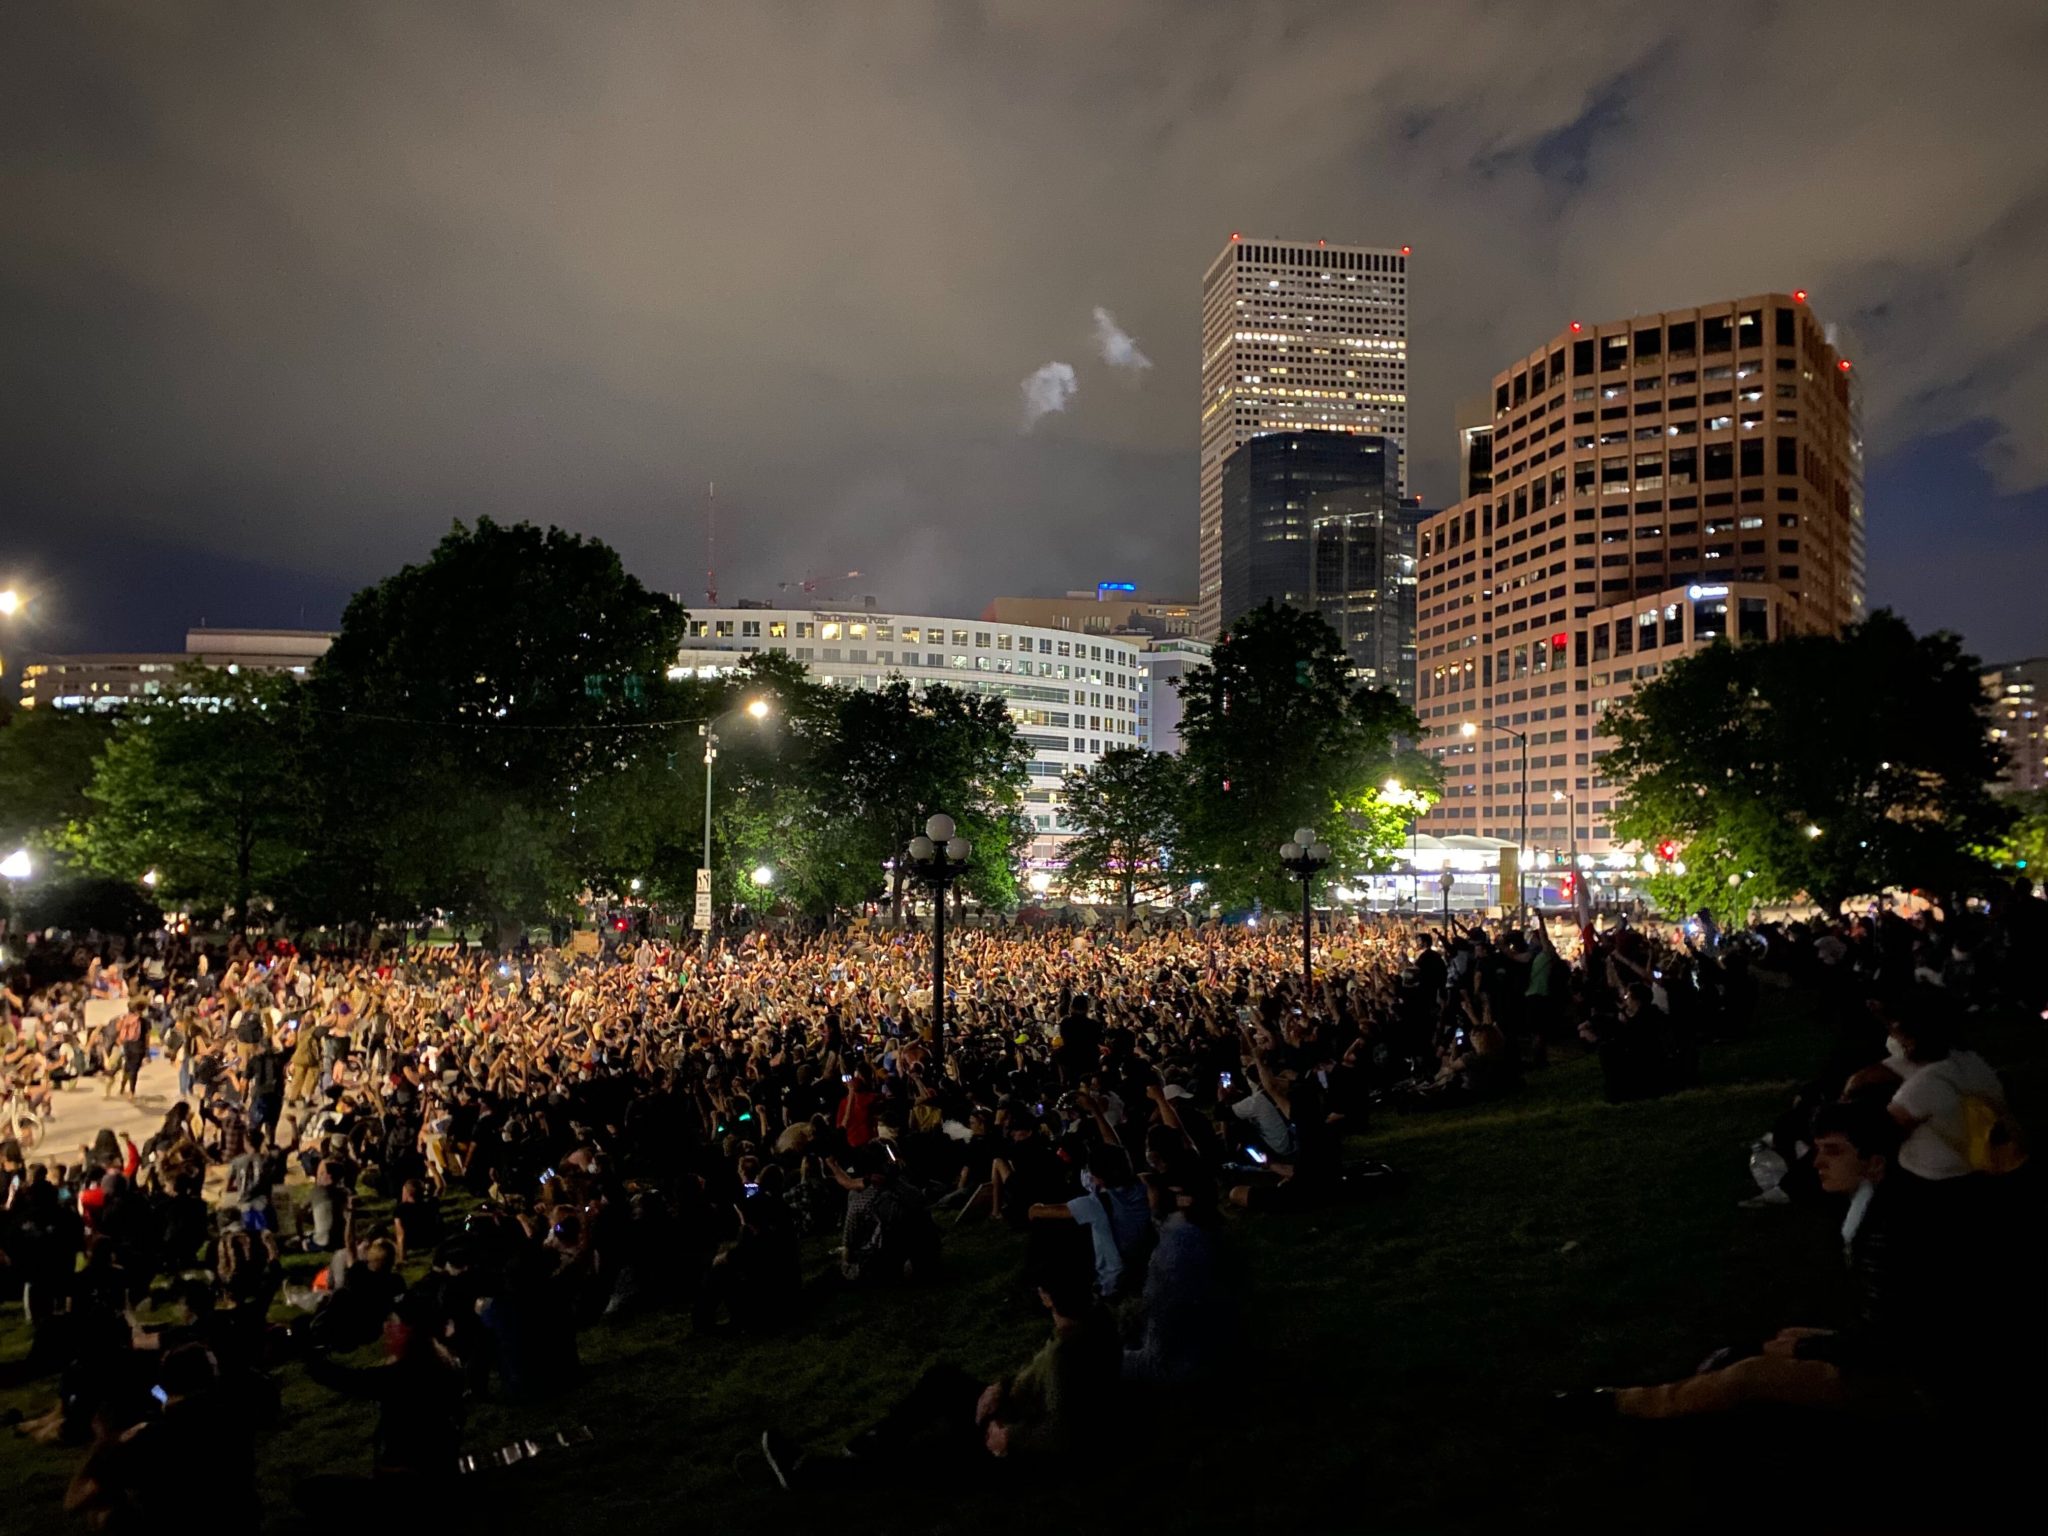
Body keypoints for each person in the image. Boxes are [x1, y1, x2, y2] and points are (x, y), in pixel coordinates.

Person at [1560, 1102, 1958, 1420]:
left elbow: (1889, 1342)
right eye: (1819, 1150)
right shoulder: (1882, 1207)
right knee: (1787, 1336)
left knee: (1750, 1375)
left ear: (1874, 1163)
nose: (1819, 1162)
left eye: (1833, 1152)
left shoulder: (1887, 1232)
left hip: (1919, 1382)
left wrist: (1806, 1351)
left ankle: (1632, 1402)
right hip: (1911, 1356)